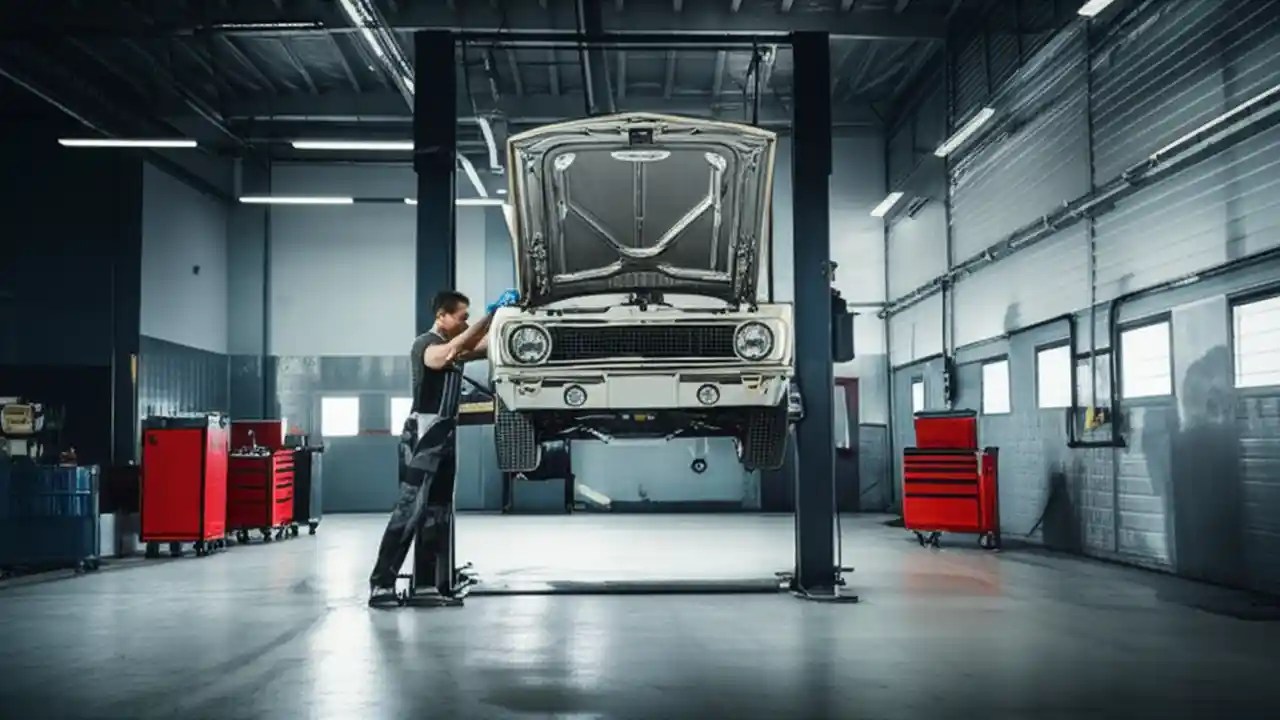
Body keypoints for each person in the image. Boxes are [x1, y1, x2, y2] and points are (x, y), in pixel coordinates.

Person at [368, 288, 518, 606]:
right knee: (410, 509)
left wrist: (509, 319)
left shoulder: (456, 348)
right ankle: (381, 584)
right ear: (442, 316)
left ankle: (427, 586)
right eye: (462, 318)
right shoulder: (425, 344)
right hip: (422, 433)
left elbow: (488, 346)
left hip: (446, 433)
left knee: (437, 511)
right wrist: (489, 315)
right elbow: (448, 353)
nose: (465, 324)